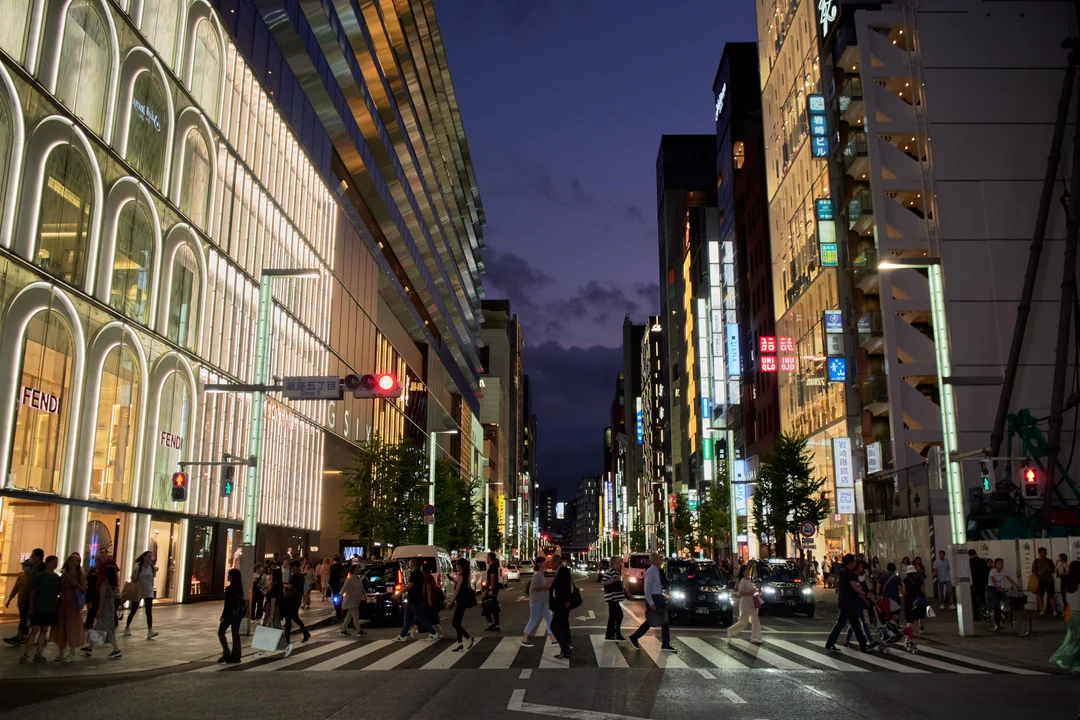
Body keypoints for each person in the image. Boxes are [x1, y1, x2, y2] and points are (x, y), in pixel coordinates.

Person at [628, 552, 675, 653]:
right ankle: (635, 636)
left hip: (660, 597)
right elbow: (647, 588)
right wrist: (651, 602)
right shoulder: (650, 572)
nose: (661, 560)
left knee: (664, 620)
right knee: (652, 620)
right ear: (653, 560)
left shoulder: (659, 571)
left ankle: (665, 643)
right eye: (659, 558)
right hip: (654, 598)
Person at [825, 553, 871, 654]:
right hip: (848, 602)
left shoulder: (844, 572)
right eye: (854, 561)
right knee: (842, 624)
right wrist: (865, 594)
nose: (855, 563)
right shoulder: (849, 573)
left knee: (854, 624)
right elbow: (854, 586)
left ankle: (863, 644)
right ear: (850, 562)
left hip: (846, 602)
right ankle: (830, 643)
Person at [20, 555, 60, 664]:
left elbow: (57, 593)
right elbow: (32, 593)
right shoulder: (39, 577)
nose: (55, 564)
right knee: (35, 629)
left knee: (44, 630)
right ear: (47, 563)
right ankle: (26, 654)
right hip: (38, 607)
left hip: (49, 608)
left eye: (56, 562)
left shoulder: (56, 578)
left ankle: (38, 653)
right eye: (53, 562)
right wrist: (31, 607)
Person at [50, 553, 86, 662]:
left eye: (76, 561)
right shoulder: (64, 575)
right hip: (63, 603)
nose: (74, 563)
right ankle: (60, 652)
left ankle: (72, 652)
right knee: (61, 626)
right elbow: (59, 589)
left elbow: (84, 589)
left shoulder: (80, 575)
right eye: (72, 561)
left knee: (72, 627)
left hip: (73, 604)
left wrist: (76, 584)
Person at [83, 564, 122, 660]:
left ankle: (116, 650)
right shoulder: (114, 585)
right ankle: (89, 648)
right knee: (99, 627)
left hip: (104, 607)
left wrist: (99, 610)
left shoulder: (104, 584)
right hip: (111, 607)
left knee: (106, 628)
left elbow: (102, 599)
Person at [1049, 560, 1080, 671]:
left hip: (1073, 615)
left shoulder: (1070, 584)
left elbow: (1068, 601)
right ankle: (1070, 661)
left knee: (1074, 641)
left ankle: (1069, 661)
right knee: (1076, 642)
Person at [394, 558, 435, 641]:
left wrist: (398, 594)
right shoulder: (417, 573)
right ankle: (403, 635)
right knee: (407, 618)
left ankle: (433, 632)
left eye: (410, 562)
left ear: (413, 564)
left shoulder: (416, 574)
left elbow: (409, 586)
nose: (409, 563)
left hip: (415, 599)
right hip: (413, 599)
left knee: (420, 617)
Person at [522, 556, 555, 647]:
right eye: (544, 563)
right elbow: (533, 588)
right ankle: (524, 639)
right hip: (536, 601)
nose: (545, 564)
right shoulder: (537, 574)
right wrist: (544, 587)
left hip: (542, 601)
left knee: (549, 619)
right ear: (539, 564)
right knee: (533, 620)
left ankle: (553, 639)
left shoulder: (541, 573)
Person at [124, 551, 158, 639]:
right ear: (144, 557)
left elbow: (152, 578)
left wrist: (152, 587)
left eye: (151, 556)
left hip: (149, 591)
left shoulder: (152, 568)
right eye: (149, 556)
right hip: (139, 591)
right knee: (134, 610)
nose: (150, 558)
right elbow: (133, 578)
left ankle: (150, 630)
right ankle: (127, 627)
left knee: (149, 612)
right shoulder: (138, 568)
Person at [726, 565, 763, 644]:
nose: (747, 571)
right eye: (746, 570)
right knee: (744, 621)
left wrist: (756, 592)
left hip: (751, 601)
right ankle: (731, 630)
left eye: (747, 570)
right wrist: (752, 592)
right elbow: (741, 593)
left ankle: (755, 637)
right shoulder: (743, 581)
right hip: (745, 602)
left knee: (755, 619)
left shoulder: (748, 580)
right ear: (743, 572)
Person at [445, 557, 476, 652]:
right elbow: (464, 586)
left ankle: (469, 637)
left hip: (460, 601)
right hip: (464, 600)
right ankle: (460, 643)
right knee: (457, 622)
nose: (456, 567)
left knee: (455, 623)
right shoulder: (467, 574)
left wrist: (450, 601)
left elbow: (457, 590)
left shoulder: (461, 575)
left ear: (460, 566)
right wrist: (453, 581)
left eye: (457, 565)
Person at [217, 568, 245, 664]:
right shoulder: (239, 589)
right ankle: (236, 655)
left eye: (229, 575)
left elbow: (227, 605)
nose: (227, 576)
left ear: (232, 577)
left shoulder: (229, 589)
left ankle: (226, 653)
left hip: (229, 615)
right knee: (235, 634)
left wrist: (223, 616)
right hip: (238, 615)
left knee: (221, 632)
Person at [282, 560, 311, 654]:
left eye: (292, 567)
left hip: (291, 599)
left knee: (289, 617)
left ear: (295, 567)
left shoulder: (295, 576)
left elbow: (290, 586)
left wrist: (283, 585)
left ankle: (287, 637)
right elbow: (305, 588)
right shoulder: (302, 576)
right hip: (297, 599)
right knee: (294, 617)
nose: (291, 569)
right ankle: (305, 633)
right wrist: (306, 598)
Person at [548, 554, 574, 659]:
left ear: (557, 562)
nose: (550, 564)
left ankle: (565, 647)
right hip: (561, 603)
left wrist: (566, 601)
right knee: (563, 626)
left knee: (554, 627)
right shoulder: (561, 571)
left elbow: (565, 588)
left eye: (552, 562)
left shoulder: (563, 571)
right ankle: (567, 647)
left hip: (562, 604)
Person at [3, 559, 32, 646]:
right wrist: (9, 599)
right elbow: (15, 589)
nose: (24, 567)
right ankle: (23, 636)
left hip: (28, 602)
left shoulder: (32, 578)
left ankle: (21, 636)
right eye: (24, 565)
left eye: (27, 565)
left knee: (24, 619)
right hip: (21, 601)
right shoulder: (21, 577)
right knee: (24, 618)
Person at [987, 557, 1018, 630]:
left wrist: (1016, 586)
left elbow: (1009, 579)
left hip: (999, 588)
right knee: (997, 606)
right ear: (996, 564)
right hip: (992, 589)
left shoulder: (1003, 572)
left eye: (1002, 563)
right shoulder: (992, 571)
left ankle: (1002, 616)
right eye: (999, 563)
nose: (1001, 565)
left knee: (1008, 601)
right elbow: (993, 580)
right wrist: (997, 587)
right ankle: (996, 623)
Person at [602, 555, 626, 642]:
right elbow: (604, 581)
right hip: (612, 598)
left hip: (614, 598)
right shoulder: (611, 571)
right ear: (613, 563)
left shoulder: (615, 571)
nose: (620, 564)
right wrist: (615, 580)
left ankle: (612, 634)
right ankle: (615, 633)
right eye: (618, 563)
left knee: (614, 616)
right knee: (617, 615)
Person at [339, 565, 368, 637]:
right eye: (357, 569)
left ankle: (343, 630)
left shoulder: (358, 578)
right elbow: (344, 588)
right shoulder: (350, 579)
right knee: (355, 615)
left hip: (355, 599)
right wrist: (340, 597)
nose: (358, 570)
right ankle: (359, 631)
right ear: (353, 570)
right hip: (350, 599)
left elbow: (360, 588)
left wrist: (363, 593)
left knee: (349, 616)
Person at [1032, 547, 1059, 616]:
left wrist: (1050, 569)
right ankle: (1041, 610)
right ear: (1040, 553)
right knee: (1041, 596)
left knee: (1051, 596)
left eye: (1046, 552)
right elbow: (1034, 572)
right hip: (1040, 581)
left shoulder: (1049, 561)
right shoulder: (1036, 561)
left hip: (1049, 581)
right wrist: (1042, 571)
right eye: (1044, 552)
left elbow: (1054, 570)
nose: (1045, 554)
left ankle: (1054, 610)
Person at [422, 563, 443, 639]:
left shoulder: (427, 577)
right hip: (433, 599)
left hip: (431, 599)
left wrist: (429, 599)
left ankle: (436, 632)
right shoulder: (430, 576)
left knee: (431, 616)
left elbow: (428, 587)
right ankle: (438, 632)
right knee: (434, 616)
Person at [483, 552, 502, 632]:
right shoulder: (493, 566)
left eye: (487, 557)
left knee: (487, 605)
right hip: (492, 588)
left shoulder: (492, 567)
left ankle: (493, 624)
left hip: (492, 589)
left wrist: (491, 589)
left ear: (490, 558)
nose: (486, 559)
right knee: (492, 606)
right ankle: (494, 624)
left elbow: (493, 578)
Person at [969, 549, 989, 615]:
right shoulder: (982, 561)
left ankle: (977, 615)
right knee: (982, 598)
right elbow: (986, 572)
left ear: (969, 554)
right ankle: (984, 613)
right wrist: (986, 582)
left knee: (974, 599)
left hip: (973, 583)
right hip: (981, 582)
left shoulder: (969, 562)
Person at [328, 555, 344, 620]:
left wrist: (329, 584)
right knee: (341, 598)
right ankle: (341, 611)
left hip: (334, 585)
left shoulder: (332, 567)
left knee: (335, 598)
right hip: (341, 584)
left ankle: (338, 613)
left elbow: (331, 576)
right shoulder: (342, 567)